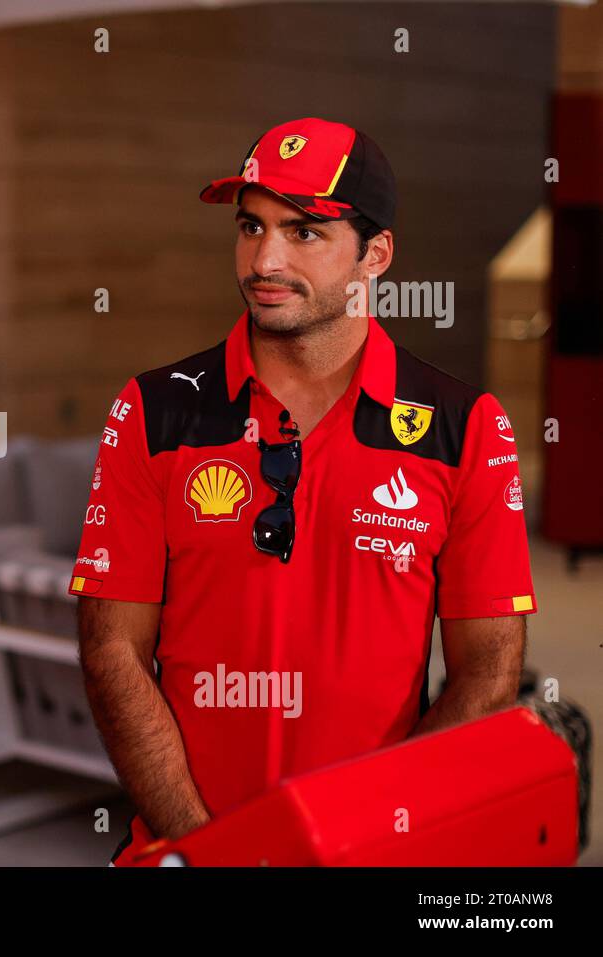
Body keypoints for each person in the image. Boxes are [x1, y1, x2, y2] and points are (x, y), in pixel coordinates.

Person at [71, 117, 536, 865]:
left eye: (304, 232)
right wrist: (207, 848)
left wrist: (372, 830)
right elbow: (111, 650)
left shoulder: (464, 425)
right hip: (182, 847)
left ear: (376, 254)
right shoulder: (154, 411)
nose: (266, 258)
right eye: (251, 226)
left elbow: (487, 672)